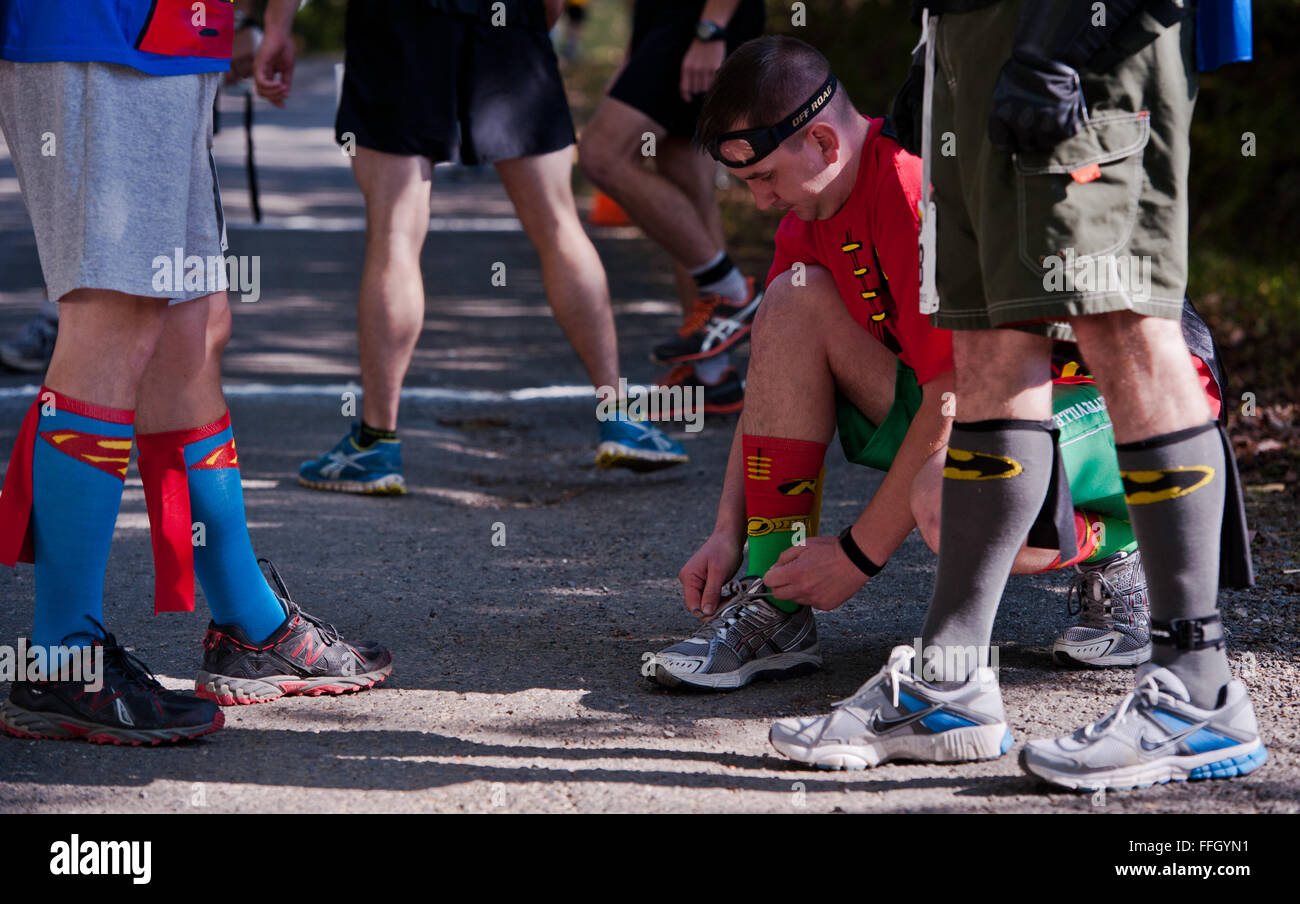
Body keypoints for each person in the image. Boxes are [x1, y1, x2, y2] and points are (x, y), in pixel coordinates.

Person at [767, 2, 1263, 791]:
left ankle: (1195, 693)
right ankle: (949, 683)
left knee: (1120, 322)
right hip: (974, 40)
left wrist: (1054, 43)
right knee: (992, 346)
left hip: (1080, 36)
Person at [649, 36, 1226, 692]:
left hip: (1116, 398)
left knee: (949, 501)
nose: (759, 201)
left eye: (764, 179)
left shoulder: (905, 184)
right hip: (989, 398)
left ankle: (1122, 544)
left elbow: (954, 397)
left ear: (823, 145)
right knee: (786, 304)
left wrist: (855, 557)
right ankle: (776, 605)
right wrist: (732, 530)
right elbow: (771, 380)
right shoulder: (809, 206)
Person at [0, 0, 392, 745]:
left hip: (176, 37)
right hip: (98, 30)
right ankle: (59, 660)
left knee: (192, 327)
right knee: (114, 318)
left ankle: (250, 627)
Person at [254, 0, 687, 496]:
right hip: (507, 17)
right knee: (558, 222)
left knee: (395, 233)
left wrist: (277, 26)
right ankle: (617, 415)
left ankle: (375, 443)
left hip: (399, 23)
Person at [579, 0, 765, 416]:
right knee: (686, 179)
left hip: (698, 21)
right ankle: (710, 376)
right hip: (672, 22)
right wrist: (636, 50)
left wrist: (711, 27)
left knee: (601, 154)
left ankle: (733, 292)